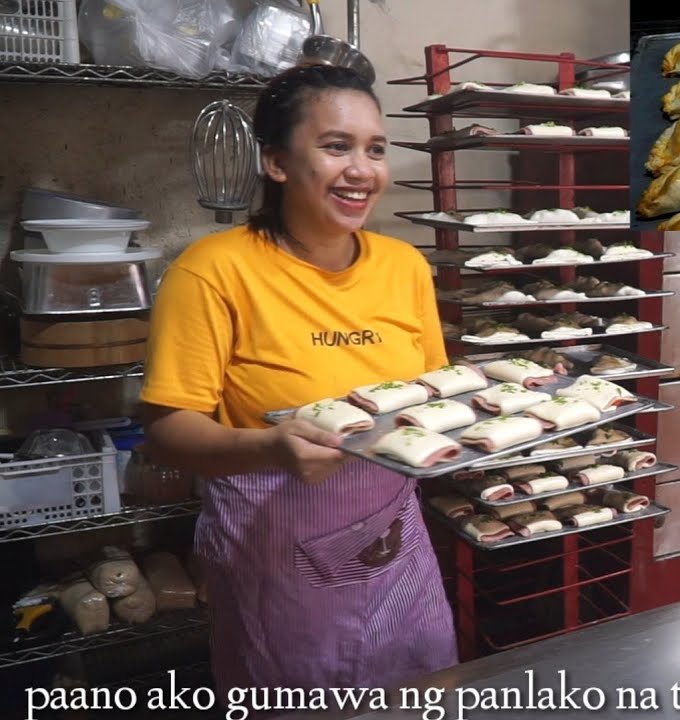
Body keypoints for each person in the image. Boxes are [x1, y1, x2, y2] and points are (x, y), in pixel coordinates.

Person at [139, 64, 458, 697]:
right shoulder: (213, 271)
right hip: (274, 537)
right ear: (278, 163)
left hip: (394, 533)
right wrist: (270, 445)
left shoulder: (405, 266)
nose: (363, 170)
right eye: (336, 146)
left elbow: (432, 392)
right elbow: (166, 433)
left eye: (375, 149)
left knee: (421, 685)